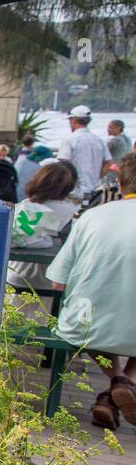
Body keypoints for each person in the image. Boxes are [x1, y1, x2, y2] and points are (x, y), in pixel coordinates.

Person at [47, 151, 136, 429]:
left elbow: (57, 280)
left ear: (120, 183)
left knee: (95, 321)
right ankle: (125, 384)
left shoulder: (92, 216)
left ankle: (114, 388)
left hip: (86, 323)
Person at [6, 162, 72, 291]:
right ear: (67, 188)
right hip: (47, 282)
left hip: (14, 276)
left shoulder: (23, 205)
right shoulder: (68, 212)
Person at [57, 105, 106, 202]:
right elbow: (108, 162)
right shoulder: (98, 140)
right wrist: (97, 176)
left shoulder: (69, 140)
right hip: (95, 191)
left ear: (73, 120)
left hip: (75, 192)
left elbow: (63, 165)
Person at [104, 119, 131, 186]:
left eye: (110, 127)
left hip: (114, 171)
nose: (108, 129)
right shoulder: (127, 139)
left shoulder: (115, 140)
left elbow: (102, 152)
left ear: (118, 128)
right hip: (125, 170)